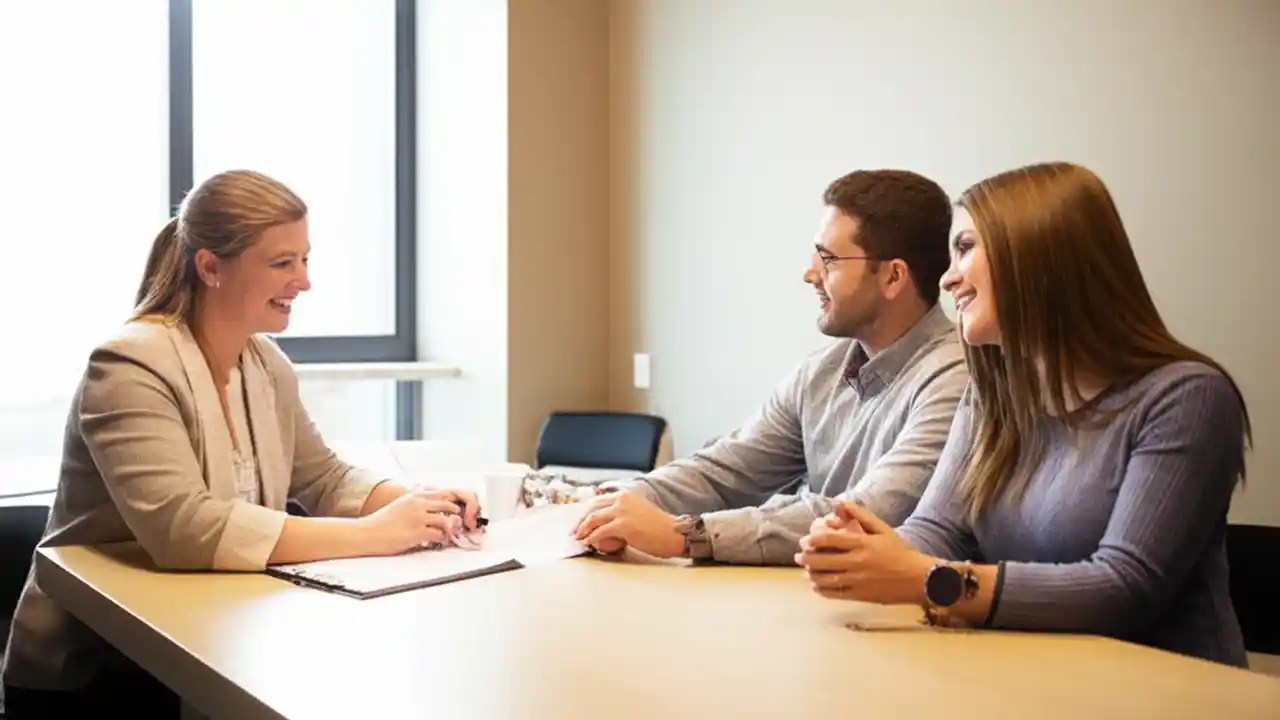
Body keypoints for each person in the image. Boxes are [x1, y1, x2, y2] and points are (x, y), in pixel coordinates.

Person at [2, 170, 484, 716]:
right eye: (282, 263)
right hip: (100, 670)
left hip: (218, 636)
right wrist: (373, 534)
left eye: (305, 259)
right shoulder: (129, 364)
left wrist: (419, 502)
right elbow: (185, 529)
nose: (304, 281)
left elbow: (323, 477)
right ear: (210, 267)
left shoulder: (264, 363)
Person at [796, 161, 1251, 667]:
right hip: (1037, 675)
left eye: (965, 248)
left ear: (1038, 253)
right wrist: (866, 551)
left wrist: (933, 580)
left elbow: (1126, 588)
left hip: (1175, 690)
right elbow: (939, 530)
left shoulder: (1187, 398)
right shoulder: (991, 394)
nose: (947, 278)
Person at [574, 169, 968, 564]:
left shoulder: (957, 379)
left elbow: (867, 515)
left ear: (893, 276)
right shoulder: (819, 373)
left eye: (829, 260)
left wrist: (686, 535)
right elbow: (727, 469)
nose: (810, 274)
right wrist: (615, 501)